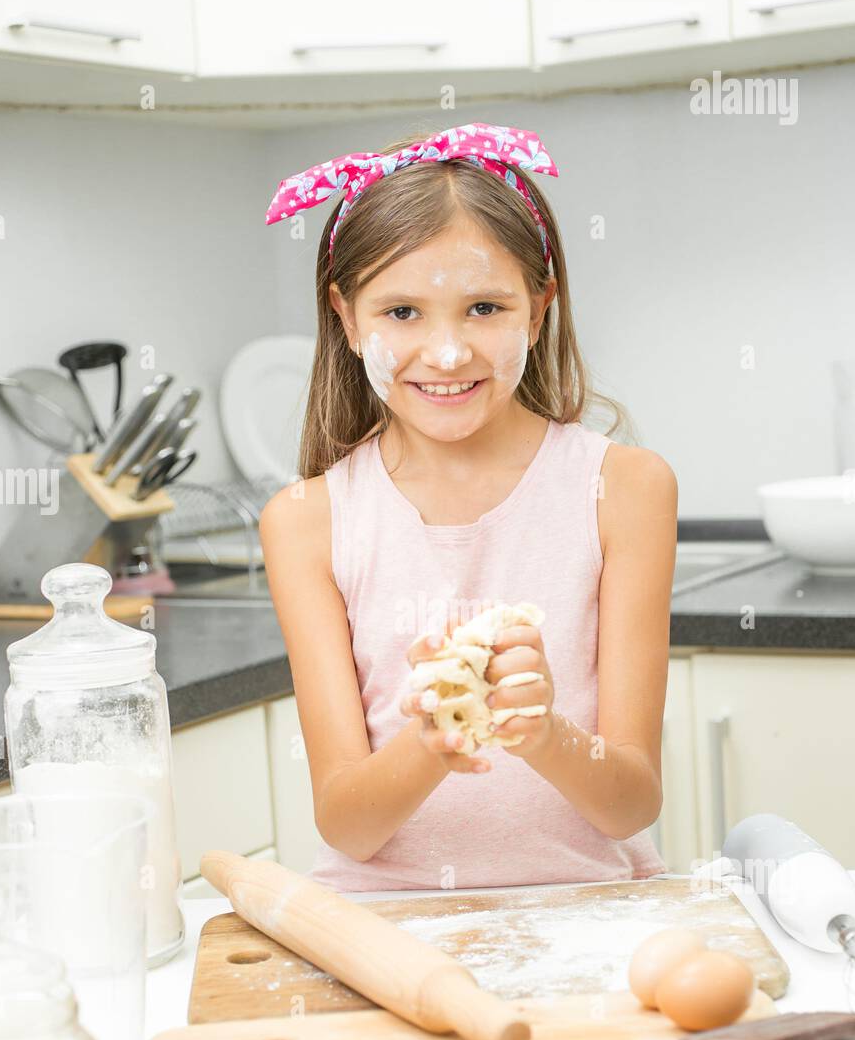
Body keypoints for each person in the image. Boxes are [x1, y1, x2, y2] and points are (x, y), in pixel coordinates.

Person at [259, 122, 677, 892]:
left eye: (484, 307)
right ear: (346, 319)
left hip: (585, 906)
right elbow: (347, 824)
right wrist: (431, 741)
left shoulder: (625, 488)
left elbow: (630, 804)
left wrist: (543, 733)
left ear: (538, 308)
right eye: (402, 312)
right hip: (386, 923)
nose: (447, 354)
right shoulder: (306, 519)